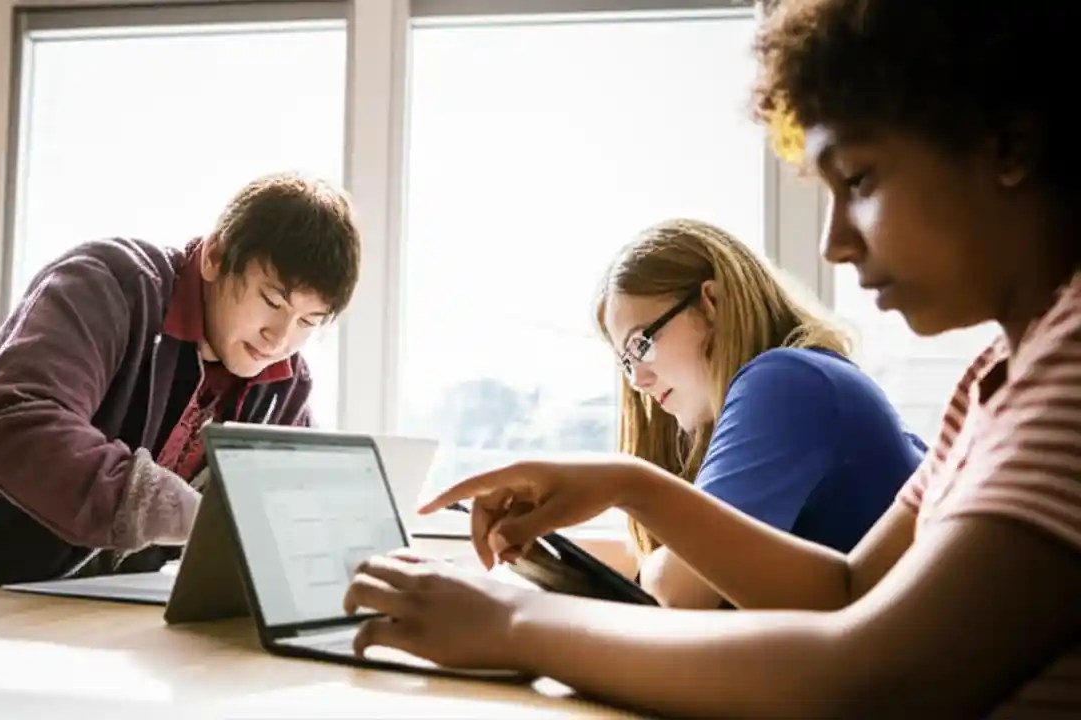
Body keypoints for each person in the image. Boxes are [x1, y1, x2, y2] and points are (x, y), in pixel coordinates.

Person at [342, 1, 1081, 716]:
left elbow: (879, 681)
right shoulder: (991, 382)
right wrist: (629, 483)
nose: (833, 244)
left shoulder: (1069, 366)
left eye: (858, 180)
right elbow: (845, 593)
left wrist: (512, 624)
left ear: (1007, 145)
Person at [0, 172, 361, 598]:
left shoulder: (285, 382)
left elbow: (287, 508)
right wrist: (196, 519)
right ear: (215, 257)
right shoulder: (110, 285)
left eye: (307, 322)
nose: (279, 338)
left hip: (107, 602)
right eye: (272, 301)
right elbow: (17, 425)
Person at [596, 218, 924, 607]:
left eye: (641, 345)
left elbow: (678, 591)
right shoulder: (801, 383)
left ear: (710, 303)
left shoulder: (786, 381)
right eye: (627, 363)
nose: (639, 380)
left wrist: (627, 487)